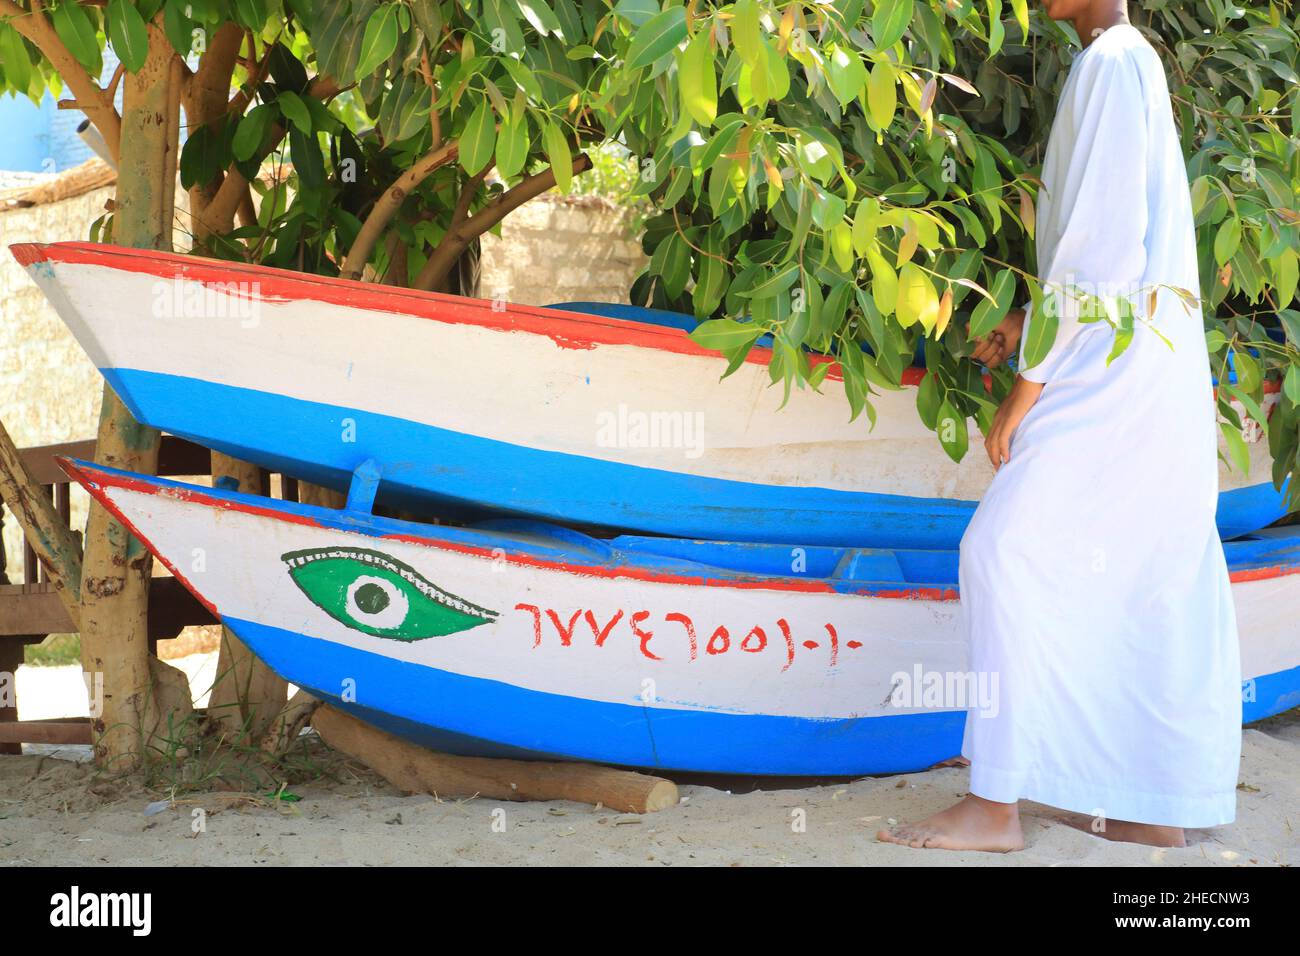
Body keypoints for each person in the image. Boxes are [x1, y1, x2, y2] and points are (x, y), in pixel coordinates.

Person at [878, 0, 1242, 852]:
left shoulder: (1115, 63)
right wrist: (1030, 325)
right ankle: (1147, 807)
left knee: (1003, 549)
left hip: (1115, 373)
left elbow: (1103, 255)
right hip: (1138, 361)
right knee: (1133, 565)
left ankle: (997, 806)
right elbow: (1106, 253)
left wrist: (1027, 386)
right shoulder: (1114, 61)